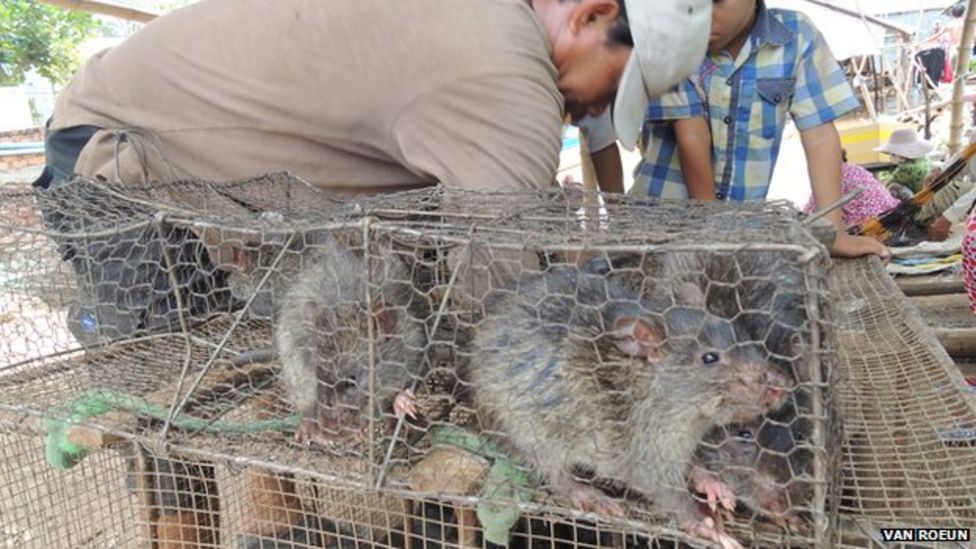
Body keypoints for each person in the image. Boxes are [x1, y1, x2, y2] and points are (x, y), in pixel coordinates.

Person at [32, 0, 712, 346]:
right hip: (119, 164)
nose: (593, 109)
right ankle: (107, 323)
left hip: (165, 150)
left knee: (257, 356)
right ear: (592, 14)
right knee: (173, 398)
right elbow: (498, 286)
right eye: (614, 85)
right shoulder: (509, 69)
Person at [586, 0, 889, 259]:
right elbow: (691, 135)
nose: (702, 14)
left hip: (735, 234)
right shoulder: (673, 44)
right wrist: (714, 236)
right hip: (659, 229)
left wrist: (831, 231)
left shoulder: (798, 39)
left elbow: (820, 135)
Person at [802, 150, 900, 227]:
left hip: (866, 224)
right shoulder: (856, 168)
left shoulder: (830, 175)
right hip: (889, 214)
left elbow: (812, 211)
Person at [876, 128, 934, 194]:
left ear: (902, 155)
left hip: (917, 199)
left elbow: (886, 183)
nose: (890, 156)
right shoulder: (926, 160)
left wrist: (884, 173)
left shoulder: (905, 169)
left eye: (893, 154)